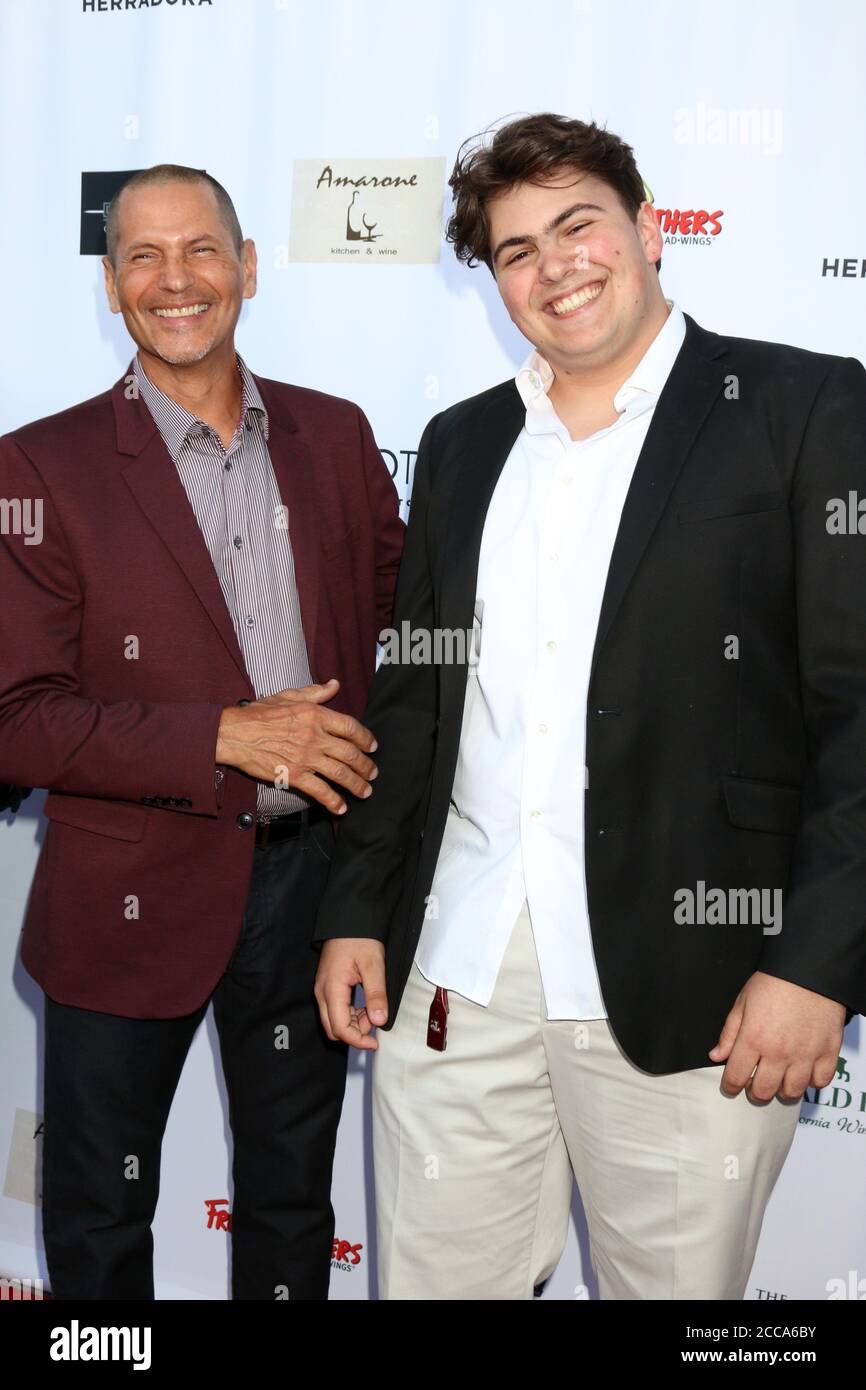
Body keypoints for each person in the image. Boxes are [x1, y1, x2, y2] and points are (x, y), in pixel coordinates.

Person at [312, 114, 865, 1300]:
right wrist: (357, 903)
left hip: (701, 981)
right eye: (515, 249)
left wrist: (816, 964)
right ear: (495, 282)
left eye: (577, 226)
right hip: (457, 972)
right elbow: (412, 696)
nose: (553, 264)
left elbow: (857, 712)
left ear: (647, 228)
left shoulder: (802, 408)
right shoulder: (459, 445)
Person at [0, 163, 403, 1300]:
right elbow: (15, 721)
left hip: (312, 896)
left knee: (291, 1201)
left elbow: (402, 640)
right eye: (142, 256)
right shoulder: (40, 465)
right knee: (97, 1214)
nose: (175, 280)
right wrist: (220, 736)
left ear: (249, 268)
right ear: (112, 287)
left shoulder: (333, 436)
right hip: (126, 899)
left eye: (201, 250)